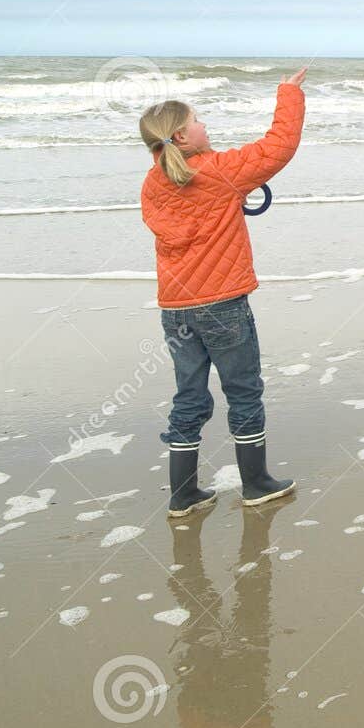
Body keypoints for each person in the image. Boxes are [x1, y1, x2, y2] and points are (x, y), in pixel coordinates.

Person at [138, 68, 307, 517]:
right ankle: (255, 483)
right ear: (181, 135)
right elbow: (279, 146)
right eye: (198, 120)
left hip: (176, 309)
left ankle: (183, 495)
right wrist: (289, 91)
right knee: (244, 390)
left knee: (189, 397)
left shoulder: (153, 182)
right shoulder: (218, 172)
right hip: (222, 304)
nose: (205, 125)